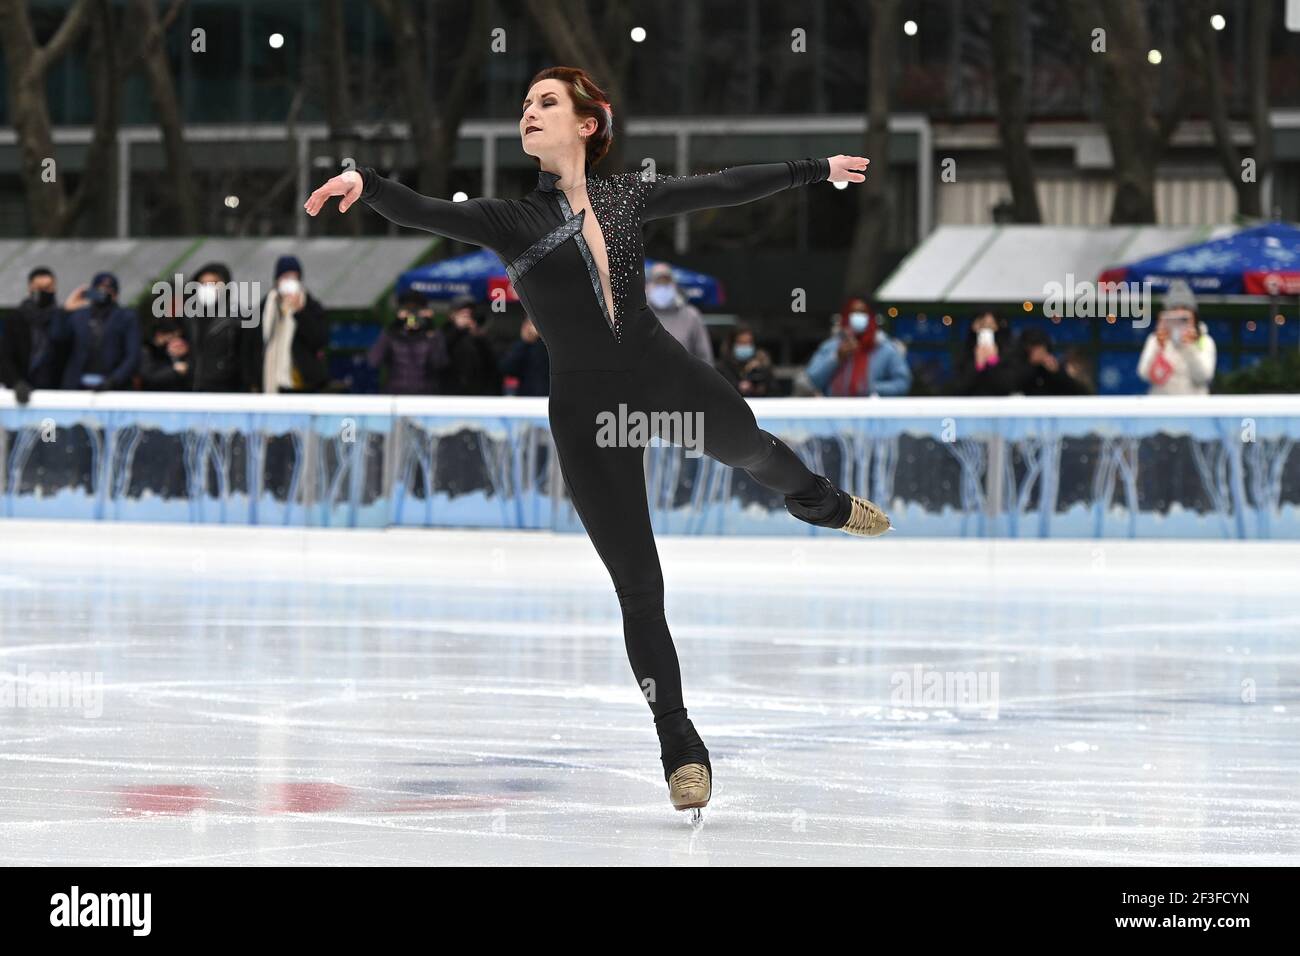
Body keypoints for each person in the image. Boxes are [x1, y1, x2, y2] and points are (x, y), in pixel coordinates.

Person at [304, 65, 887, 817]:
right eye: (524, 104)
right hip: (587, 414)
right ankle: (680, 744)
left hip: (663, 381)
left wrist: (817, 169)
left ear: (587, 123)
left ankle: (815, 499)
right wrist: (368, 184)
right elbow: (423, 211)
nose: (528, 112)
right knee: (640, 587)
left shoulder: (626, 197)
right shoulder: (510, 221)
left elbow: (724, 186)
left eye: (546, 101)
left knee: (748, 448)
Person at [244, 255, 331, 393]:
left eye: (294, 277)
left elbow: (319, 339)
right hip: (270, 386)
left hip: (302, 385)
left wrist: (300, 312)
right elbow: (251, 347)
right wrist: (252, 380)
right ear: (277, 280)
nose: (289, 282)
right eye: (286, 277)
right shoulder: (263, 309)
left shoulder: (311, 307)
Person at [51, 272, 140, 391]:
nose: (103, 294)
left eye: (109, 290)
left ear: (116, 294)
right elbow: (57, 339)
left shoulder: (127, 317)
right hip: (77, 386)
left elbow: (133, 356)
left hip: (113, 388)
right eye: (99, 290)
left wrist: (113, 381)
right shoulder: (79, 315)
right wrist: (65, 310)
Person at [806, 298, 912, 397]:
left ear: (870, 317)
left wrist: (871, 388)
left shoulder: (885, 349)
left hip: (870, 412)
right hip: (835, 411)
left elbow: (902, 384)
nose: (857, 316)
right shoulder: (831, 347)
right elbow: (813, 380)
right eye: (853, 312)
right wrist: (836, 358)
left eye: (862, 312)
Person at [1, 266, 68, 404]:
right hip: (21, 390)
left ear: (54, 288)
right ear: (30, 287)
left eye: (48, 287)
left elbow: (64, 344)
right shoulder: (15, 318)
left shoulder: (61, 318)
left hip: (55, 391)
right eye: (39, 287)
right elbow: (5, 355)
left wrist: (63, 313)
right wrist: (16, 382)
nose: (43, 292)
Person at [1136, 282, 1216, 396]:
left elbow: (1203, 377)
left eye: (1184, 309)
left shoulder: (1205, 341)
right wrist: (1159, 347)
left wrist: (1189, 347)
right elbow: (1144, 374)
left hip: (1194, 410)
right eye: (1174, 309)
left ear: (1193, 315)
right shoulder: (1155, 340)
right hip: (1161, 409)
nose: (1179, 313)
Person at [367, 290, 448, 394]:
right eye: (408, 309)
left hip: (423, 396)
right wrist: (394, 326)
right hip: (396, 396)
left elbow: (439, 363)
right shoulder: (392, 335)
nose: (412, 315)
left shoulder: (432, 335)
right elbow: (373, 360)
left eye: (416, 309)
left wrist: (430, 329)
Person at [186, 262, 246, 392]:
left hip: (225, 391)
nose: (208, 288)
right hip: (193, 389)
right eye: (203, 284)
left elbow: (245, 357)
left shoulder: (237, 318)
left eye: (213, 283)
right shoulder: (189, 318)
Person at [646, 262, 712, 363]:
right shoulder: (640, 314)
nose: (662, 287)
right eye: (658, 282)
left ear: (674, 284)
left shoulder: (691, 316)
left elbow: (705, 357)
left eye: (666, 282)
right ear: (648, 285)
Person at [437, 294, 501, 395]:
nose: (466, 316)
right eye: (462, 312)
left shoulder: (479, 335)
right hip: (450, 394)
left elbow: (493, 364)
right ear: (452, 315)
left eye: (469, 313)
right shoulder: (443, 332)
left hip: (477, 393)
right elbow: (439, 360)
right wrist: (458, 330)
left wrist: (479, 337)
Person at [949, 309, 1017, 396]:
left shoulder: (1008, 351)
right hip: (970, 406)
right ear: (973, 326)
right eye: (982, 325)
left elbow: (1009, 387)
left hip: (999, 406)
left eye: (990, 326)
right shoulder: (963, 351)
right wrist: (978, 364)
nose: (985, 330)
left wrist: (993, 361)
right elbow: (958, 387)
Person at [1012, 327, 1090, 396]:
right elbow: (1010, 386)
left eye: (1040, 348)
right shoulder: (1016, 366)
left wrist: (1056, 372)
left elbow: (1081, 393)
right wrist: (1032, 365)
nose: (1038, 353)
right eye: (1032, 349)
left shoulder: (1055, 369)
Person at [714, 324, 773, 396]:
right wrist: (738, 387)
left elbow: (775, 390)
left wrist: (762, 386)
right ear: (732, 344)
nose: (745, 346)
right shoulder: (722, 367)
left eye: (748, 343)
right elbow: (719, 391)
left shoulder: (761, 365)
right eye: (741, 343)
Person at [499, 315, 550, 396]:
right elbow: (507, 368)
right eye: (529, 323)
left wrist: (543, 338)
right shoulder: (523, 345)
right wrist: (525, 341)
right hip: (527, 399)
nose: (532, 328)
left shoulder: (552, 346)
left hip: (548, 397)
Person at [140, 318, 195, 391]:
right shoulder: (147, 351)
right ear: (159, 336)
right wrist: (175, 371)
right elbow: (149, 376)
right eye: (172, 336)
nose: (176, 340)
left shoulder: (174, 350)